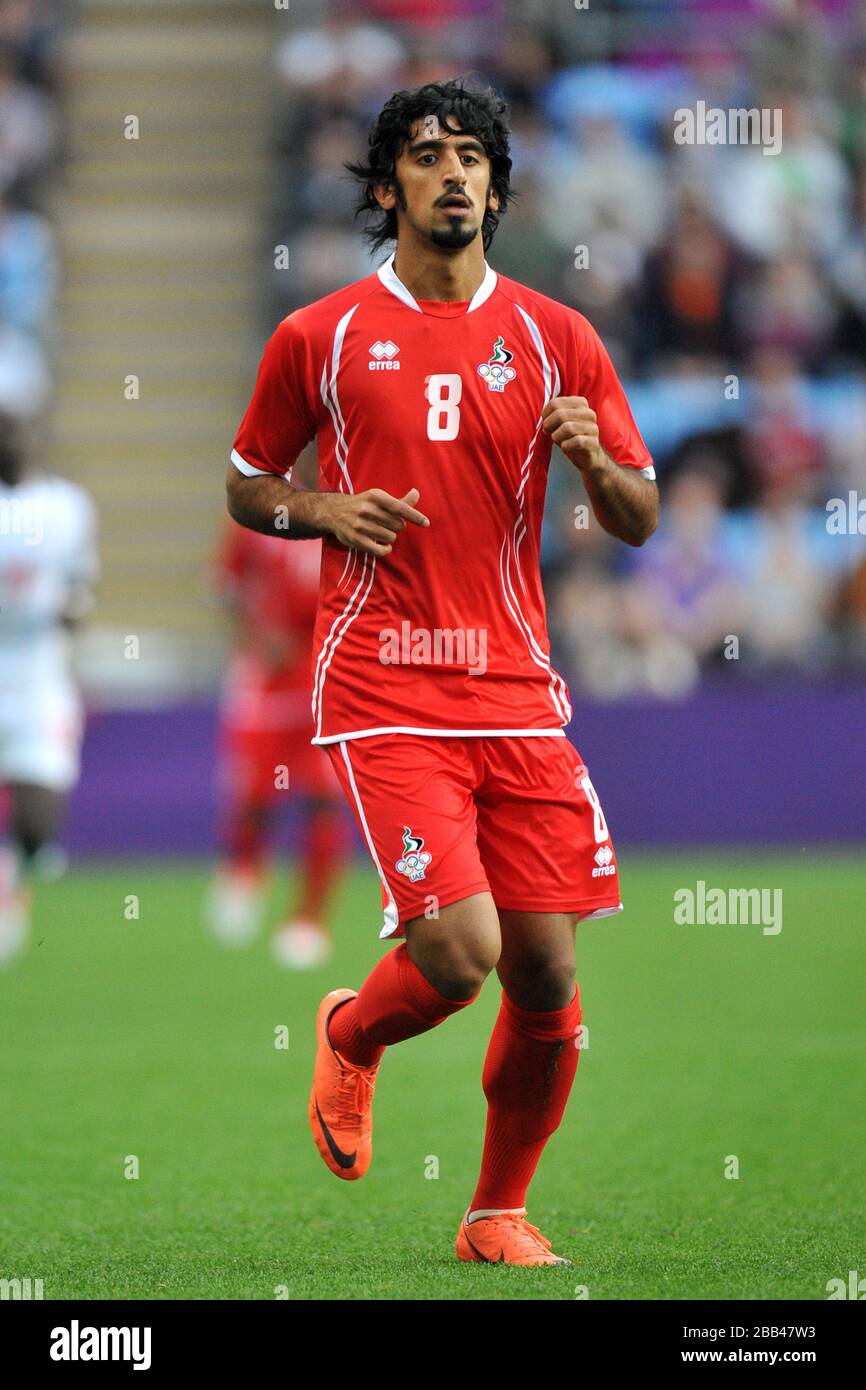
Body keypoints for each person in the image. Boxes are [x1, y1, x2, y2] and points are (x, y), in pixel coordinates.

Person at [226, 79, 657, 1266]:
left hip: (514, 686)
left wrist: (595, 465)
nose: (451, 171)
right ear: (388, 186)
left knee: (546, 971)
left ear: (496, 191)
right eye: (426, 155)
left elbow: (637, 515)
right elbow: (249, 481)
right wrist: (320, 508)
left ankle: (492, 1214)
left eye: (471, 156)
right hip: (384, 683)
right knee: (462, 953)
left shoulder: (556, 337)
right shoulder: (318, 334)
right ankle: (352, 1036)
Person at [207, 517, 349, 968]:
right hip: (266, 680)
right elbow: (226, 584)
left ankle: (309, 918)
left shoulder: (344, 516)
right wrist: (255, 635)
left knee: (323, 800)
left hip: (324, 680)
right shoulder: (257, 515)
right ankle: (245, 869)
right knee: (255, 794)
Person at [0, 411, 97, 963]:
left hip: (39, 675)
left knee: (39, 825)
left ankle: (14, 871)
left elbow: (80, 583)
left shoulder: (66, 507)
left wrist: (72, 610)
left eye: (14, 431)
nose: (9, 443)